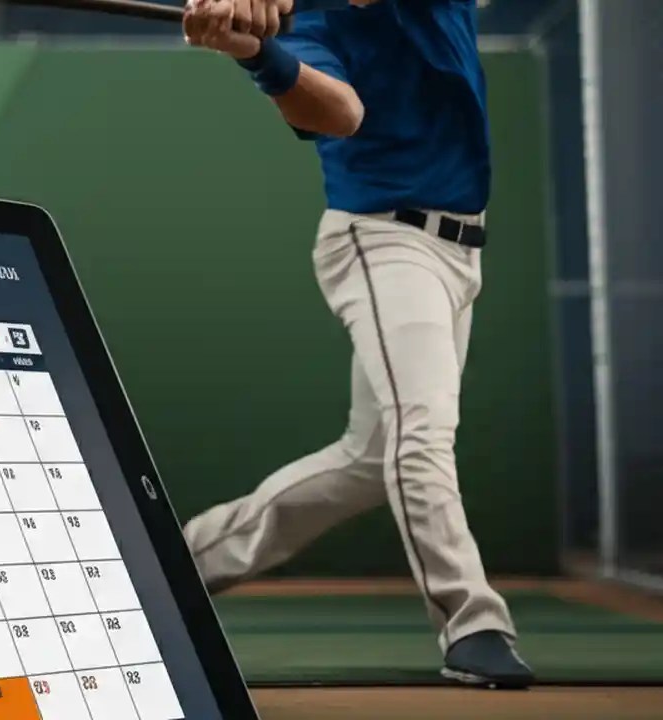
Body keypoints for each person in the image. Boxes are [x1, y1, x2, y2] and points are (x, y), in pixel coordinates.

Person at [179, 0, 535, 689]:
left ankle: (179, 564)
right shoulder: (309, 22)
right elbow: (338, 111)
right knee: (420, 436)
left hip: (461, 251)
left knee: (371, 460)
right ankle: (474, 622)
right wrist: (257, 54)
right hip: (382, 239)